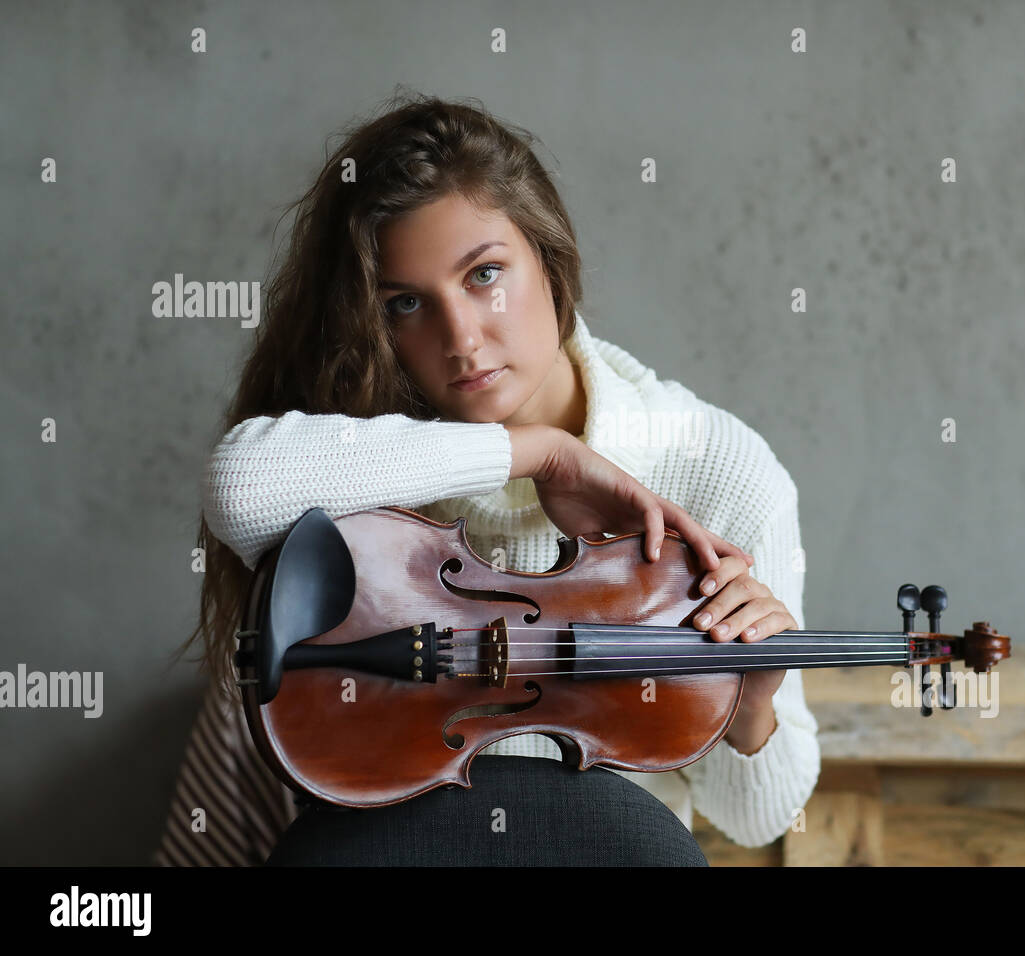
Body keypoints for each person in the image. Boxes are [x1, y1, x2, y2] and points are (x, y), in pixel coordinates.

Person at [155, 92, 820, 866]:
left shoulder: (717, 469)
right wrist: (536, 452)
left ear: (551, 257)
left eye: (486, 275)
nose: (462, 341)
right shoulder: (373, 451)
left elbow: (756, 818)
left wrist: (752, 700)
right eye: (406, 304)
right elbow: (240, 485)